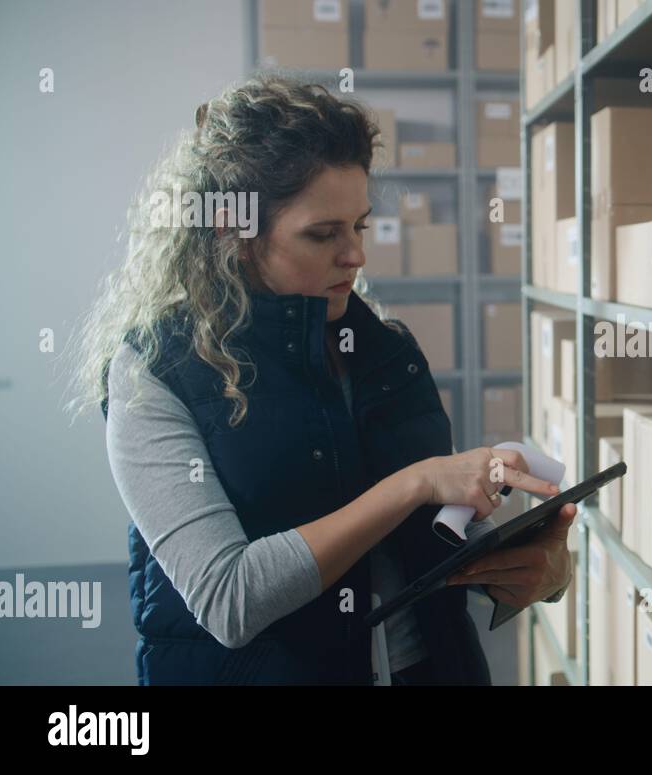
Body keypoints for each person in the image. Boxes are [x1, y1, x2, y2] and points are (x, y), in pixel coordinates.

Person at [68, 76, 573, 685]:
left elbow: (421, 539)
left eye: (359, 226)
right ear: (234, 232)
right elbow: (230, 599)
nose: (356, 255)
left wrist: (540, 573)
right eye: (322, 233)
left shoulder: (384, 350)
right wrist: (413, 484)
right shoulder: (155, 372)